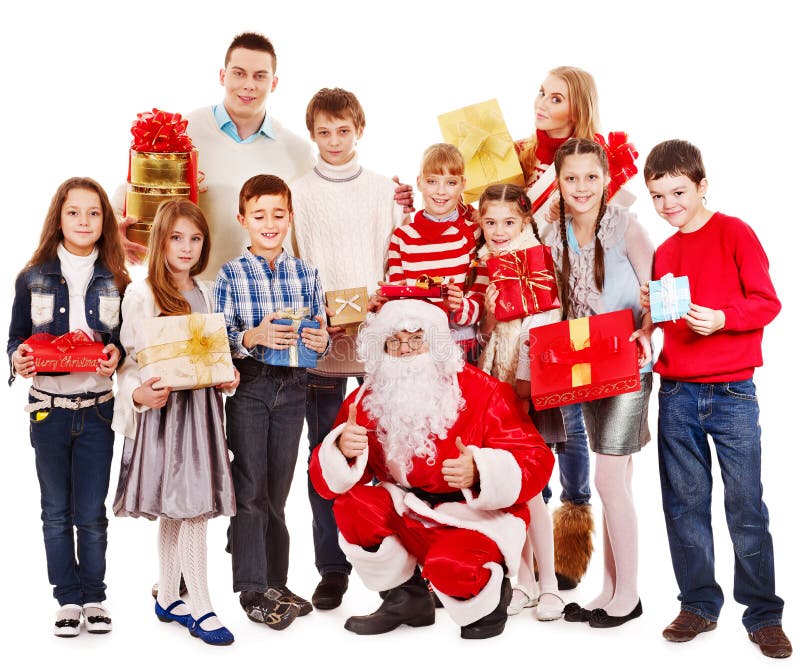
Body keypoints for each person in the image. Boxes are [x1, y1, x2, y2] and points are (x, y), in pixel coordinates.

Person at [309, 299, 554, 639]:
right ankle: (404, 599)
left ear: (436, 343)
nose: (404, 349)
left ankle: (489, 601)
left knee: (448, 568)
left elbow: (536, 459)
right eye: (394, 341)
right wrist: (340, 449)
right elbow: (325, 482)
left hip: (469, 517)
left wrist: (481, 472)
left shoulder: (481, 390)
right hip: (409, 510)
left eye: (415, 338)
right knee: (354, 505)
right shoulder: (370, 397)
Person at [642, 140, 791, 659]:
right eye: (657, 196)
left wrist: (724, 318)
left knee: (745, 504)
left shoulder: (735, 232)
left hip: (732, 393)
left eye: (678, 192)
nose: (668, 205)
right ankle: (699, 604)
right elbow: (667, 318)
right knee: (683, 505)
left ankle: (763, 613)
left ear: (702, 186)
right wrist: (650, 310)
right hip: (677, 392)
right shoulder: (664, 251)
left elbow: (767, 301)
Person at [117, 32, 412, 274]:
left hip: (264, 297)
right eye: (239, 73)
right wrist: (115, 228)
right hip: (192, 288)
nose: (248, 85)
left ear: (274, 83)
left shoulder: (296, 150)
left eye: (260, 76)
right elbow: (133, 193)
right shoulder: (186, 131)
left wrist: (390, 197)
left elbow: (326, 205)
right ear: (222, 75)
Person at [290, 87, 408, 609]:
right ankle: (331, 567)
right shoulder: (297, 193)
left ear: (359, 129)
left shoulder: (386, 191)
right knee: (324, 455)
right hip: (323, 341)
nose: (334, 141)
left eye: (344, 131)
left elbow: (400, 262)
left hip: (378, 341)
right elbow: (291, 261)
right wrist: (313, 315)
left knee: (388, 452)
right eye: (323, 133)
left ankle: (399, 562)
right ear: (311, 135)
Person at [112, 200, 239, 646]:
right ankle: (201, 604)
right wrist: (139, 393)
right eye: (176, 238)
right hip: (166, 417)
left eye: (196, 239)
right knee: (191, 508)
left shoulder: (205, 291)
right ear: (160, 241)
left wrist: (228, 376)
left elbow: (212, 354)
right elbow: (128, 361)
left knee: (184, 508)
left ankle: (169, 595)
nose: (186, 248)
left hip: (202, 413)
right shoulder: (142, 292)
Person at [8, 177, 129, 636]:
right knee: (55, 510)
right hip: (48, 410)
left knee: (92, 512)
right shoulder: (32, 275)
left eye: (94, 213)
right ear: (58, 218)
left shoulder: (117, 278)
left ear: (105, 220)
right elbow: (17, 339)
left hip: (97, 409)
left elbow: (123, 343)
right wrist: (19, 357)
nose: (83, 221)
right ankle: (66, 599)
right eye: (74, 212)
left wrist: (117, 354)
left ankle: (94, 596)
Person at [214, 174, 329, 630]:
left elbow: (320, 337)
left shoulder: (308, 273)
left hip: (294, 387)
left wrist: (320, 341)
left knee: (278, 491)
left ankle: (276, 581)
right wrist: (251, 336)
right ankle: (251, 588)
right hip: (251, 384)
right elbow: (217, 339)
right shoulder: (230, 274)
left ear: (290, 217)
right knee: (250, 490)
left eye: (278, 214)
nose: (269, 223)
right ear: (242, 220)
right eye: (259, 215)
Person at [549, 138, 654, 628]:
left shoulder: (626, 227)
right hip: (585, 369)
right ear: (559, 181)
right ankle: (609, 588)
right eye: (571, 178)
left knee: (609, 479)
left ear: (606, 178)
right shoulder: (553, 233)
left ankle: (629, 595)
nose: (581, 187)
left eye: (591, 177)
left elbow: (656, 290)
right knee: (619, 484)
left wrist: (648, 330)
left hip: (628, 365)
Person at [512, 66, 605, 589]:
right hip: (518, 307)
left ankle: (569, 539)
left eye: (555, 98)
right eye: (540, 93)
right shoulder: (517, 156)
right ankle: (529, 541)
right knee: (523, 423)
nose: (541, 103)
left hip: (572, 316)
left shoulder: (590, 162)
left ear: (578, 108)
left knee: (568, 427)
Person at [476, 183, 564, 621]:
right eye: (490, 222)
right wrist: (489, 315)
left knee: (530, 486)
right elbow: (486, 334)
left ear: (526, 221)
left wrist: (526, 389)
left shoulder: (535, 258)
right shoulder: (486, 263)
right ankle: (524, 580)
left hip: (525, 386)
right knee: (508, 487)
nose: (499, 230)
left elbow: (546, 321)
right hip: (496, 384)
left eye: (509, 222)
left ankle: (549, 585)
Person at [385, 143, 487, 364]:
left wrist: (461, 306)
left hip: (463, 345)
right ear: (419, 182)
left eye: (450, 183)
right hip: (418, 349)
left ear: (462, 185)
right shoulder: (402, 238)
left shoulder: (474, 233)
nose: (441, 191)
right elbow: (399, 298)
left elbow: (480, 293)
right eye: (432, 181)